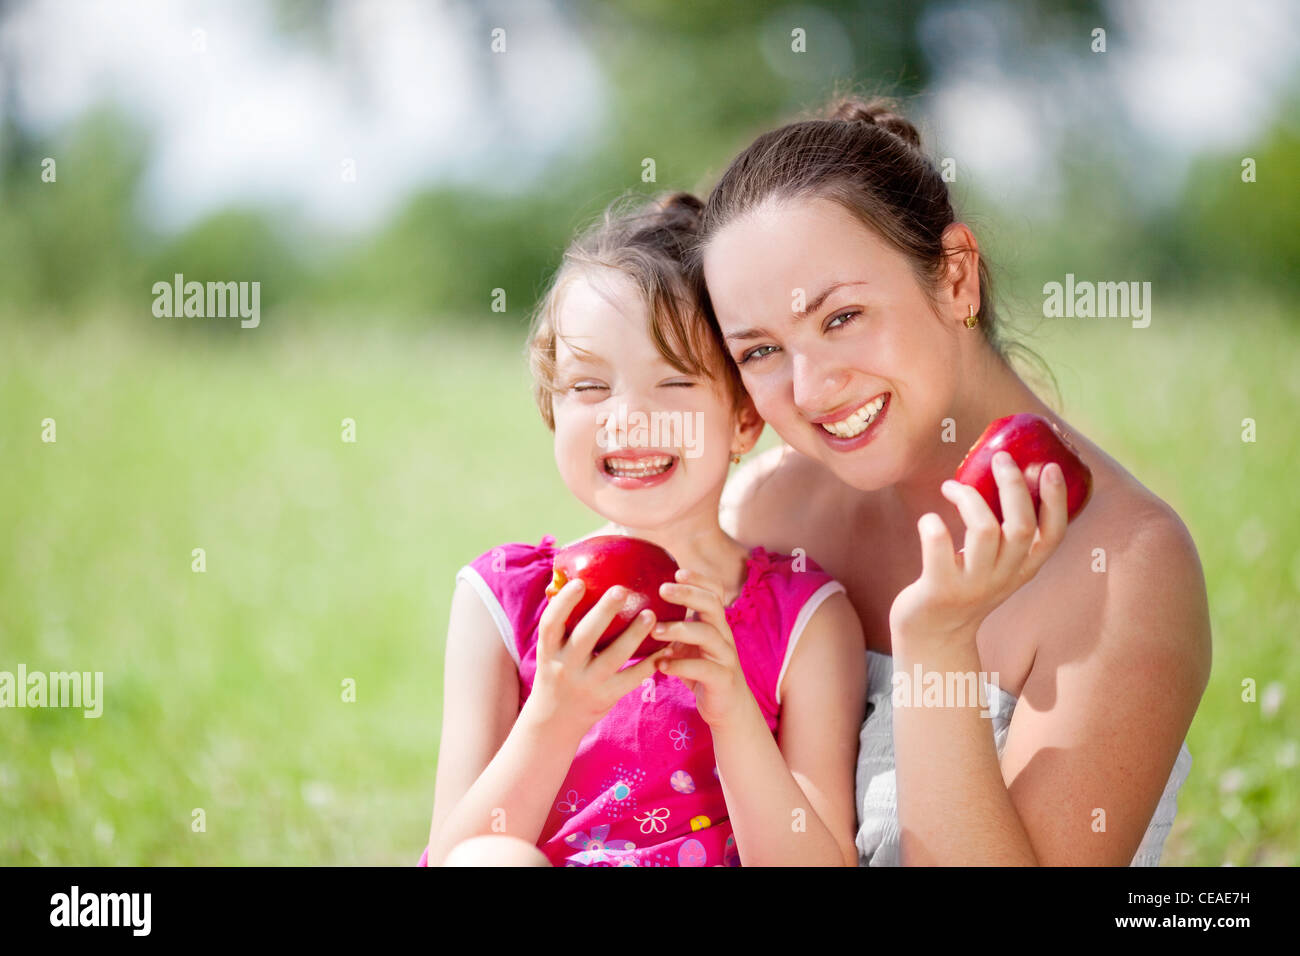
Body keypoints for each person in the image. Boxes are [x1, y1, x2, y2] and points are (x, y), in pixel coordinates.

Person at [698, 96, 1212, 866]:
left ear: (957, 279)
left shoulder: (1128, 565)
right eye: (761, 351)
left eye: (841, 318)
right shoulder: (774, 509)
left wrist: (937, 644)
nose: (810, 390)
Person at [420, 193, 867, 867]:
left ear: (745, 419)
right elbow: (454, 855)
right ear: (552, 408)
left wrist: (735, 716)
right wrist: (555, 714)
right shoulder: (504, 601)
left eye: (675, 383)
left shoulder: (804, 618)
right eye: (590, 388)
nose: (628, 419)